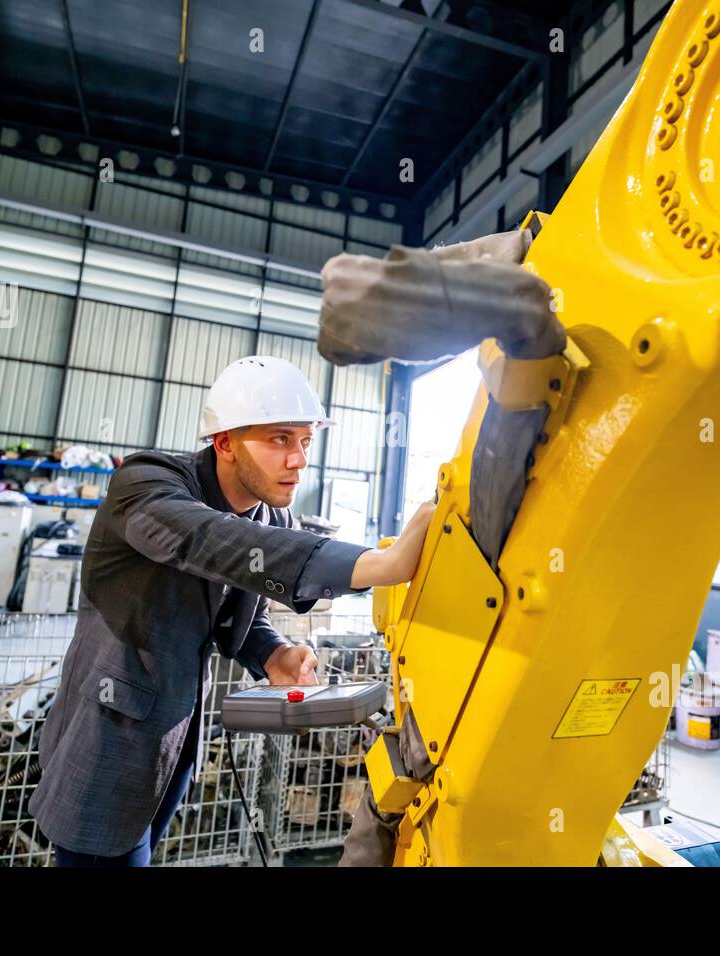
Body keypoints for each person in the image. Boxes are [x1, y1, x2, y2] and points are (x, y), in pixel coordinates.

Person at [28, 355, 434, 866]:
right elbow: (212, 541)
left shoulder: (270, 513)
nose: (299, 460)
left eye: (305, 441)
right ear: (224, 442)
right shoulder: (146, 484)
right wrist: (380, 564)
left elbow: (235, 618)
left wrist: (273, 653)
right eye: (280, 439)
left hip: (176, 738)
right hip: (109, 738)